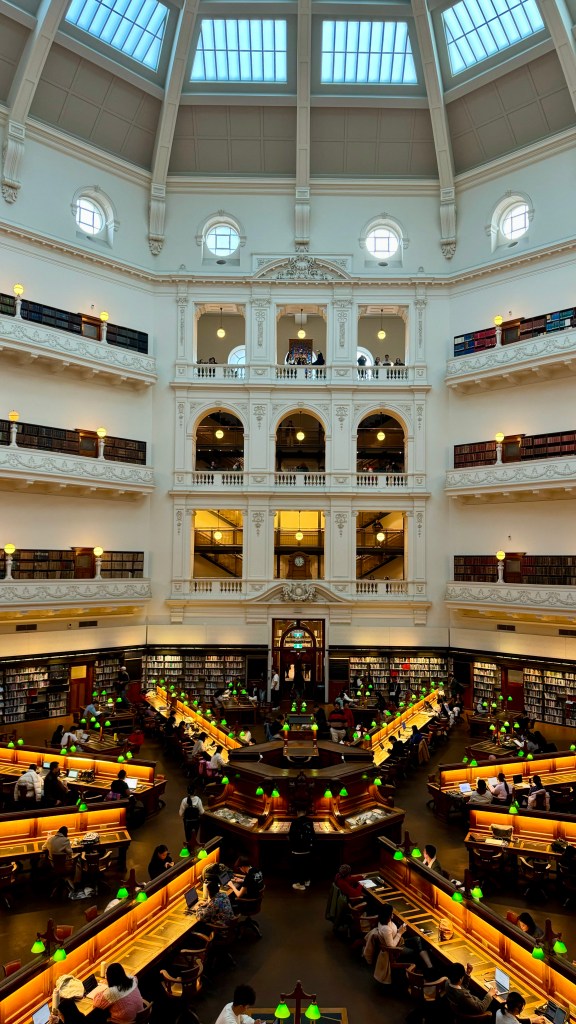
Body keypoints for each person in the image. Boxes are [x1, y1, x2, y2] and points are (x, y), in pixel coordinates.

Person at [375, 904, 433, 970]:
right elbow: (391, 946)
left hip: (400, 941)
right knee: (416, 952)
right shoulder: (386, 929)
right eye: (391, 913)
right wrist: (400, 933)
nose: (393, 915)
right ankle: (426, 970)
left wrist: (399, 930)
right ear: (388, 915)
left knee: (417, 939)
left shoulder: (385, 921)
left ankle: (429, 966)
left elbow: (392, 934)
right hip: (397, 949)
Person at [289, 809, 315, 891]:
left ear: (297, 813)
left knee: (298, 865)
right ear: (305, 813)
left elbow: (291, 835)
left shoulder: (295, 821)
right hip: (307, 848)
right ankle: (307, 880)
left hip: (298, 849)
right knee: (306, 864)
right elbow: (313, 834)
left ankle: (300, 884)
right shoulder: (310, 821)